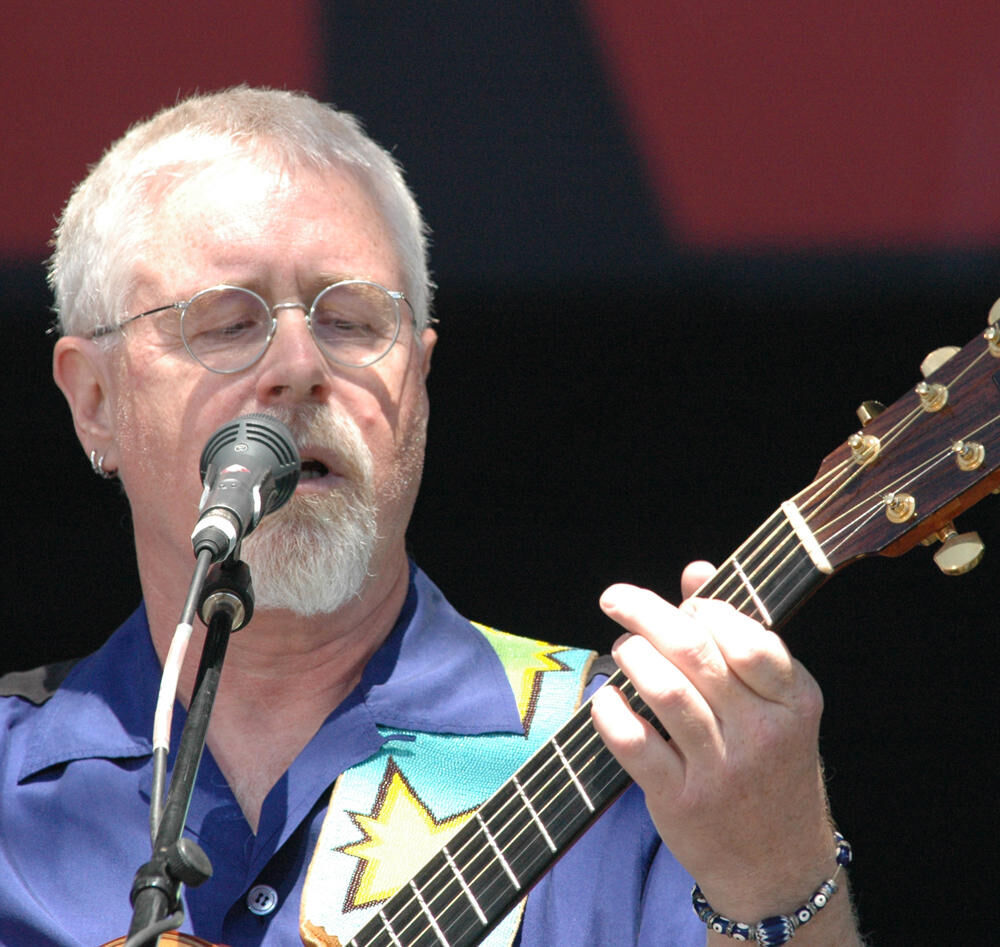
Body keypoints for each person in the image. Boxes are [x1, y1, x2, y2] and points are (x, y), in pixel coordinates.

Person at [0, 87, 864, 946]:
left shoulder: (642, 754)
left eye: (350, 320)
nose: (299, 364)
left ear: (418, 377)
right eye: (229, 323)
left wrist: (778, 878)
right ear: (94, 399)